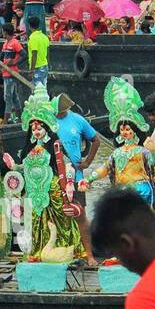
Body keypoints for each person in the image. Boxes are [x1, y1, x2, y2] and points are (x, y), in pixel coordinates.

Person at [55, 93, 100, 264]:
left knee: (80, 214)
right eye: (58, 112)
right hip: (55, 177)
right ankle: (62, 252)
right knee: (58, 215)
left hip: (76, 177)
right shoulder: (48, 120)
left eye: (63, 111)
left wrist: (88, 161)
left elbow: (96, 140)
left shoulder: (78, 120)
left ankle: (89, 255)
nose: (60, 114)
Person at [0, 24, 25, 124]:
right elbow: (1, 57)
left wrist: (14, 62)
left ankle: (6, 120)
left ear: (5, 32)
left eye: (2, 31)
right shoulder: (6, 43)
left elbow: (24, 55)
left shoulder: (15, 43)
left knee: (8, 96)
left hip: (11, 74)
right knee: (14, 96)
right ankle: (20, 118)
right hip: (5, 73)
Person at [26, 18, 50, 87]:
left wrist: (31, 71)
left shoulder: (33, 37)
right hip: (44, 66)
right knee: (43, 89)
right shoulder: (45, 37)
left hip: (37, 68)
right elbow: (48, 53)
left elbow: (34, 54)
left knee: (37, 91)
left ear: (29, 26)